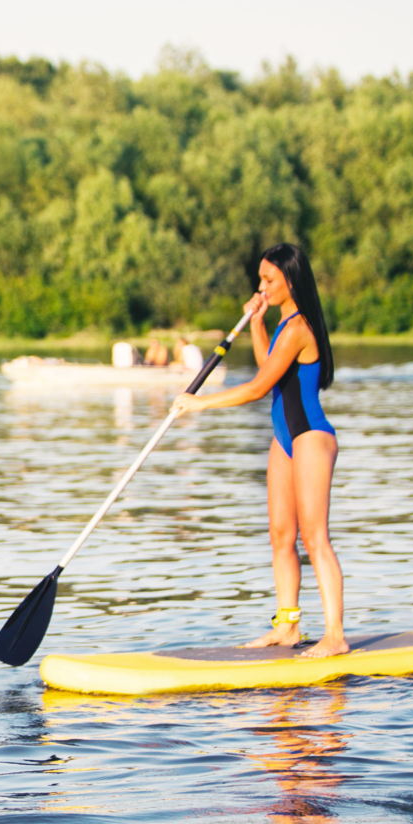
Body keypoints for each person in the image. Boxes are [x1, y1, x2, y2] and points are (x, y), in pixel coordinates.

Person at [171, 243, 347, 658]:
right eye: (260, 279)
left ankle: (336, 635)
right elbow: (268, 361)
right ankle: (288, 627)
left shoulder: (301, 327)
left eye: (268, 280)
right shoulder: (284, 325)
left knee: (314, 537)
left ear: (290, 280)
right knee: (281, 535)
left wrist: (200, 401)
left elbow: (257, 388)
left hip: (310, 437)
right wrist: (257, 320)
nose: (261, 286)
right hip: (284, 439)